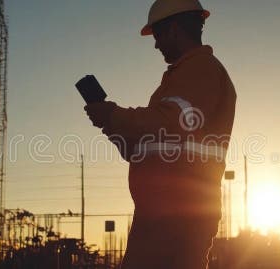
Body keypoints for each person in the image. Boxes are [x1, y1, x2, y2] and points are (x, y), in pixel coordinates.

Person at [84, 0, 236, 268]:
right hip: (160, 216)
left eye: (157, 36)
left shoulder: (203, 70)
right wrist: (109, 123)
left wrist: (114, 115)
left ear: (174, 29)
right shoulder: (178, 80)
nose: (155, 45)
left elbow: (173, 123)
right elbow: (141, 149)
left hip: (181, 216)